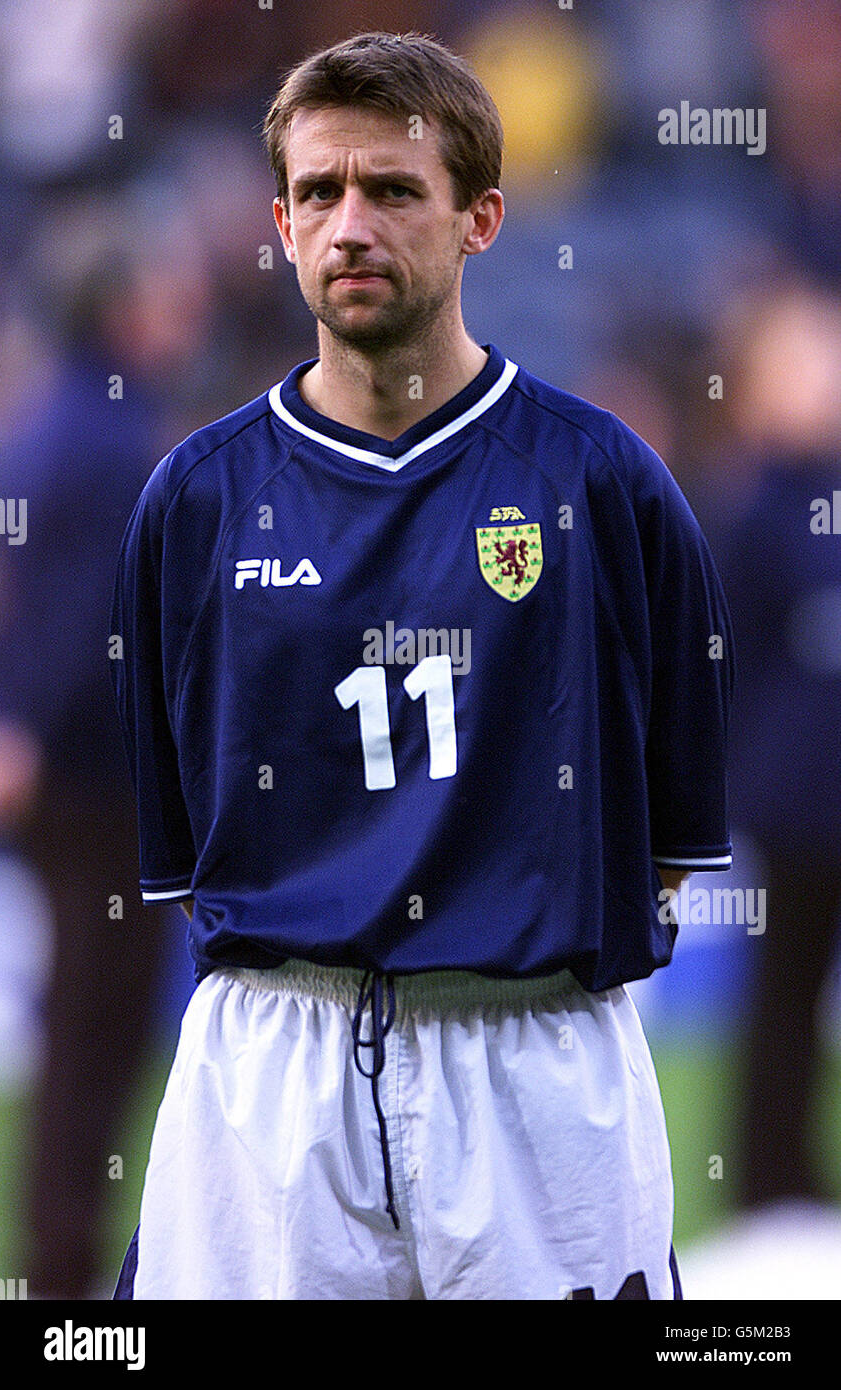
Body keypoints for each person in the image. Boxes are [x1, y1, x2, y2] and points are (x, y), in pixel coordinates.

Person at [110, 31, 733, 1301]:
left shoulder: (601, 482)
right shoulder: (197, 500)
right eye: (319, 192)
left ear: (481, 219)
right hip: (277, 1058)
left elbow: (673, 824)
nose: (351, 225)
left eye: (393, 189)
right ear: (278, 223)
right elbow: (184, 849)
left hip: (537, 1062)